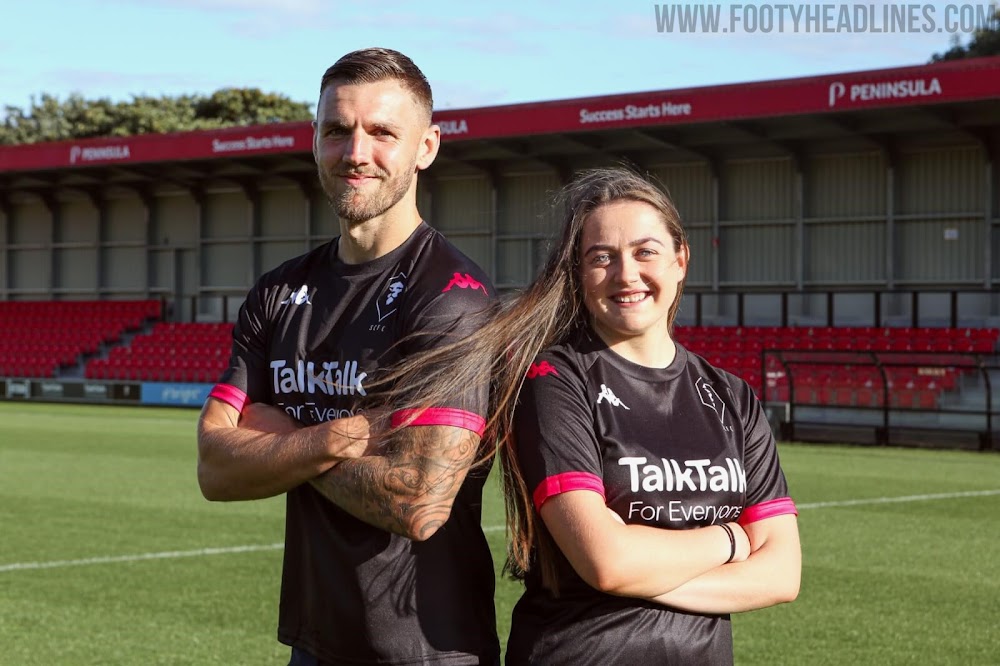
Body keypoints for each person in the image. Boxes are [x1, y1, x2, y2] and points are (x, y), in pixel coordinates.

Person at [383, 165, 801, 665]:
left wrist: (641, 570)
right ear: (579, 274)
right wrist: (730, 539)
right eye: (602, 258)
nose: (626, 274)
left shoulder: (732, 396)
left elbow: (781, 574)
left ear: (680, 260)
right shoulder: (552, 379)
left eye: (646, 252)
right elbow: (607, 562)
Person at [196, 47, 500, 666]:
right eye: (337, 130)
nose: (356, 152)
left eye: (382, 132)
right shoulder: (279, 291)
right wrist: (344, 438)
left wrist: (288, 440)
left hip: (428, 650)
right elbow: (215, 469)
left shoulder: (453, 297)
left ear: (427, 147)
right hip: (315, 644)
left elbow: (419, 500)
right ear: (315, 140)